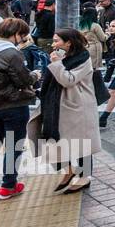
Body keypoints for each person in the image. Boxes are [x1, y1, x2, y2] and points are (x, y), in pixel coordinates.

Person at [27, 28, 101, 194]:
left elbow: (68, 80)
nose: (54, 44)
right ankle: (68, 170)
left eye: (57, 41)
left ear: (68, 42)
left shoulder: (83, 58)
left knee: (82, 143)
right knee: (57, 141)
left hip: (78, 106)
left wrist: (56, 63)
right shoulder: (65, 56)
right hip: (59, 107)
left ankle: (84, 177)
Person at [0, 18, 40, 200]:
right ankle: (8, 186)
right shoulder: (11, 54)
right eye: (23, 35)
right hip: (13, 105)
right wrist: (35, 75)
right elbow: (23, 80)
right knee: (13, 146)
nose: (23, 39)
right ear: (16, 34)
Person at [80, 6, 109, 72]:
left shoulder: (80, 25)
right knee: (93, 67)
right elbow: (103, 38)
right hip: (94, 48)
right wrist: (108, 33)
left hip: (84, 47)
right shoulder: (95, 26)